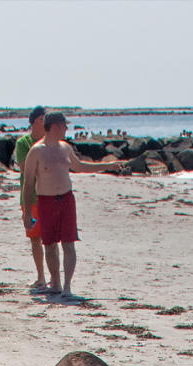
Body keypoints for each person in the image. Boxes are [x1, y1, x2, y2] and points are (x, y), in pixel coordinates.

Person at [20, 112, 118, 301]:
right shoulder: (36, 151)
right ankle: (55, 283)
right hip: (45, 201)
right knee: (49, 244)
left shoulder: (65, 148)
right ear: (56, 126)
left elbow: (79, 166)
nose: (67, 129)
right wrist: (26, 212)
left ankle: (67, 286)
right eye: (64, 126)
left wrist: (107, 166)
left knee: (69, 243)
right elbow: (29, 182)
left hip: (66, 199)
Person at [14, 106, 47, 292]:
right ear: (35, 121)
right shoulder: (23, 143)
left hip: (49, 194)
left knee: (50, 238)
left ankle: (53, 277)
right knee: (35, 237)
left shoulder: (50, 142)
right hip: (30, 197)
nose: (46, 123)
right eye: (43, 119)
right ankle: (40, 276)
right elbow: (25, 168)